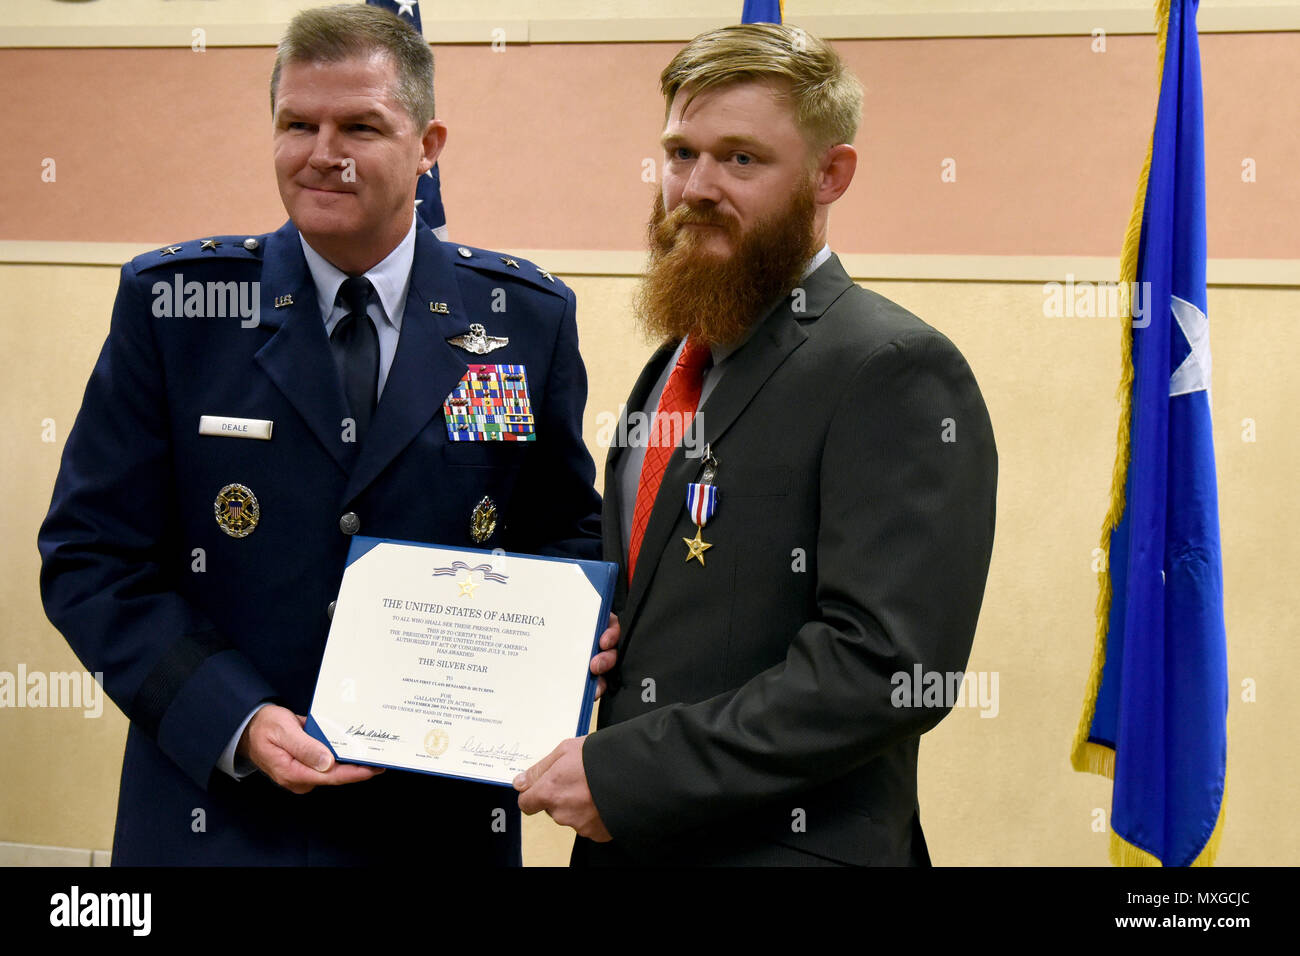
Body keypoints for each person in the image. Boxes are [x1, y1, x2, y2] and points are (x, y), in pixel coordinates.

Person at [38, 3, 614, 866]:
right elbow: (91, 555)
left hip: (435, 823)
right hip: (220, 819)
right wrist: (233, 715)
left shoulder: (520, 320)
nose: (323, 153)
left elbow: (557, 530)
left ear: (429, 145)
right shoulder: (179, 309)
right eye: (297, 123)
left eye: (360, 126)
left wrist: (574, 633)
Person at [516, 23, 997, 865]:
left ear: (829, 174)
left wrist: (628, 773)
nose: (695, 187)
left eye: (741, 159)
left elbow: (884, 666)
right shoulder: (679, 360)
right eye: (679, 153)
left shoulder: (893, 367)